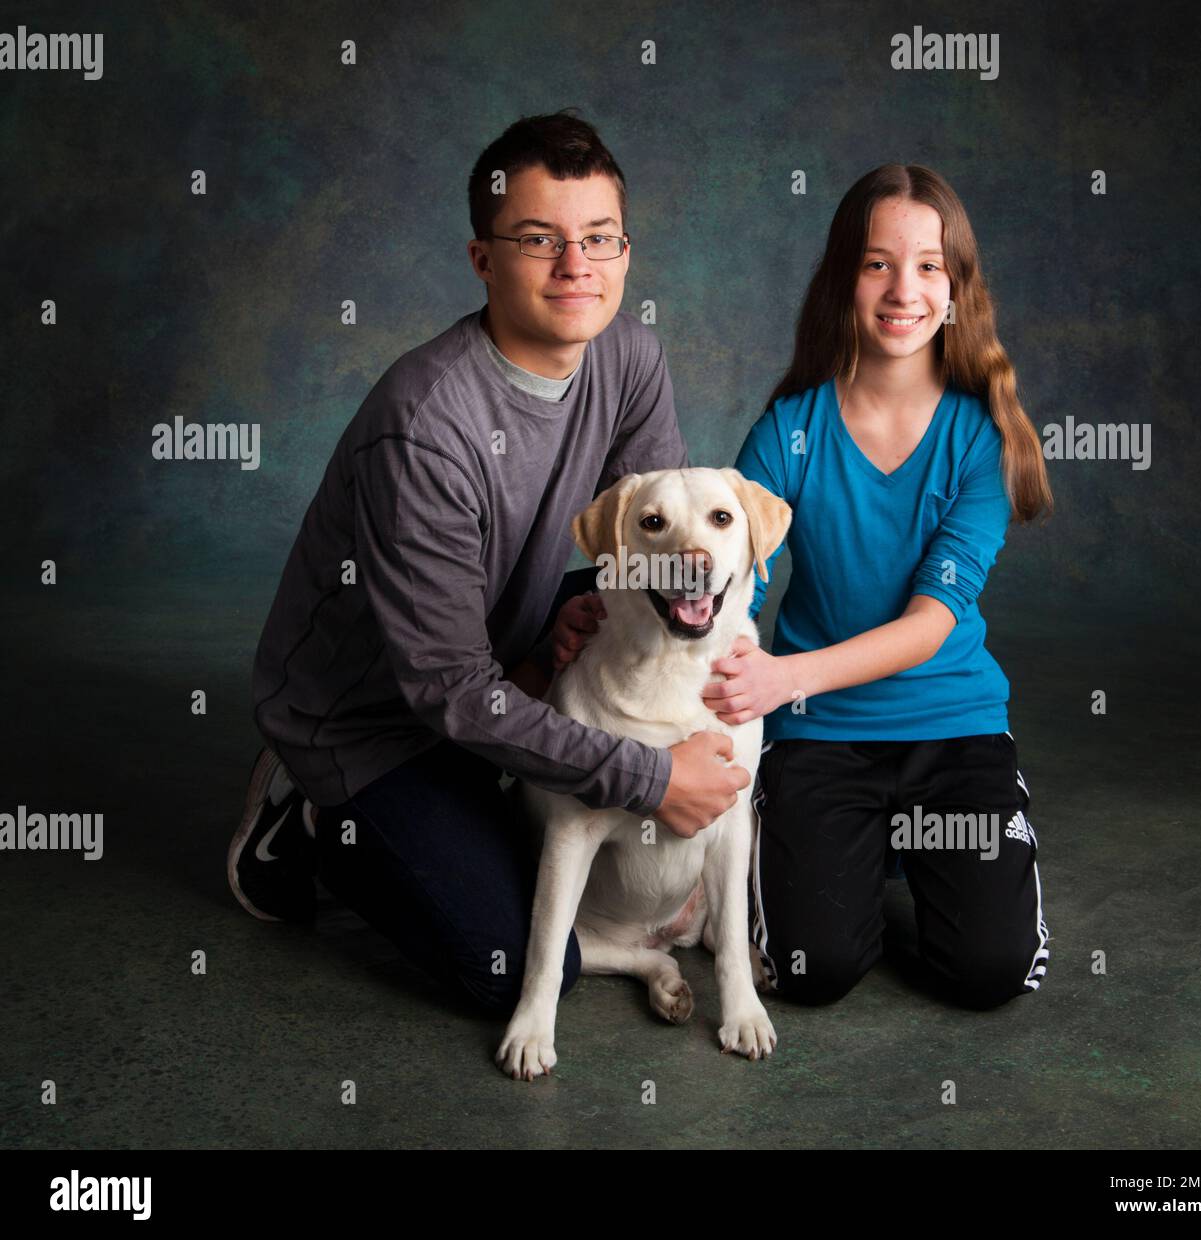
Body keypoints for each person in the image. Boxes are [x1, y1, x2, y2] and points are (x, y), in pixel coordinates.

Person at [229, 110, 749, 1016]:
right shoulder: (425, 426)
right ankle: (302, 808)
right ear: (483, 259)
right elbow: (448, 692)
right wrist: (652, 780)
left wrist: (672, 637)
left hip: (510, 672)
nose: (575, 265)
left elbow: (645, 548)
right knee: (513, 965)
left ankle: (480, 792)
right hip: (373, 723)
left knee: (565, 855)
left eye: (598, 238)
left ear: (625, 251)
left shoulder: (631, 358)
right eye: (538, 239)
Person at [702, 164, 1054, 1010]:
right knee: (809, 972)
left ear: (957, 291)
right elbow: (733, 592)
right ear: (842, 282)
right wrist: (708, 662)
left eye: (930, 265)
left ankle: (929, 848)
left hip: (952, 729)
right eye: (876, 263)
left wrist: (785, 676)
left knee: (990, 973)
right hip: (823, 739)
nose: (904, 289)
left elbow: (929, 625)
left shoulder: (980, 440)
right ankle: (858, 843)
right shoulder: (789, 433)